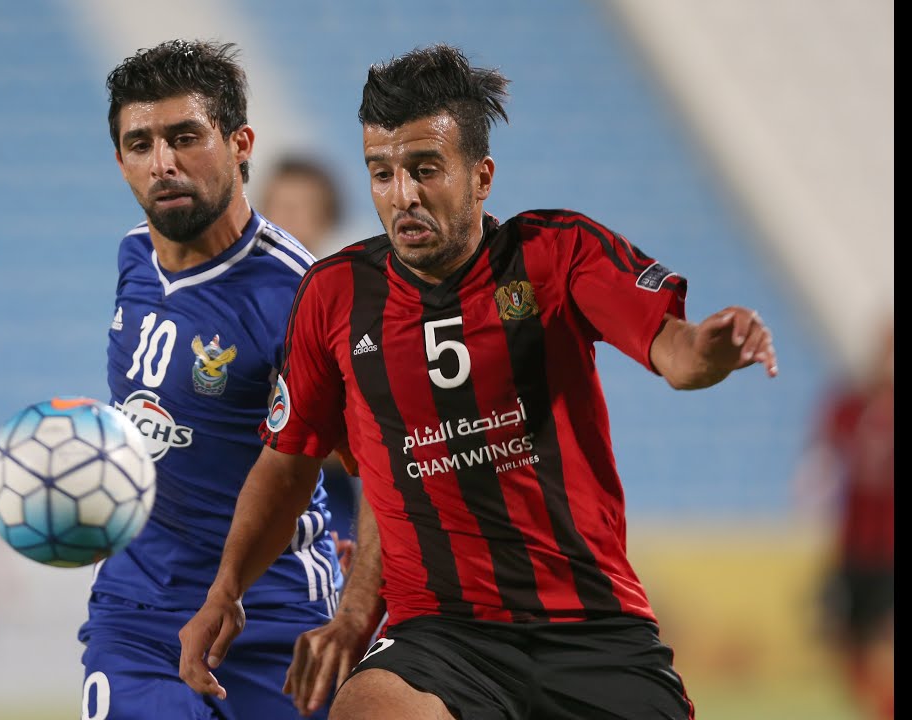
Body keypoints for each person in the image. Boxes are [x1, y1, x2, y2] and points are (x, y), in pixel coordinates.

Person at [177, 43, 780, 720]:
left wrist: (711, 347)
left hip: (590, 626)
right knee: (366, 709)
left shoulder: (555, 253)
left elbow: (677, 355)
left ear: (481, 174)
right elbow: (291, 467)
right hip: (441, 637)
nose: (402, 195)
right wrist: (226, 590)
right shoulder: (334, 297)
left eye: (425, 169)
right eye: (382, 173)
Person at [76, 39, 379, 720]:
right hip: (138, 610)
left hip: (274, 616)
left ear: (240, 142)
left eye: (186, 137)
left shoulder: (301, 296)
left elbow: (384, 469)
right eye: (140, 143)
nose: (164, 162)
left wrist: (361, 590)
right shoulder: (133, 257)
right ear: (119, 158)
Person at [258, 154, 363, 551]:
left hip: (324, 525)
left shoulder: (347, 313)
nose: (283, 221)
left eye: (297, 210)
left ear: (327, 221)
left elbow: (366, 437)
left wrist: (290, 428)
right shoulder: (240, 309)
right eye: (274, 208)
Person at [795, 318, 893, 720]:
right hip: (854, 547)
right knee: (846, 641)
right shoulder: (848, 405)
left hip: (890, 548)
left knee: (882, 643)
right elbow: (822, 462)